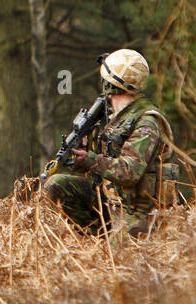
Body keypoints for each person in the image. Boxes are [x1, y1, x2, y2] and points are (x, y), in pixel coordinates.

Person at [41, 49, 176, 241]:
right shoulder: (114, 117)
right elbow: (103, 166)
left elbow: (130, 172)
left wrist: (90, 160)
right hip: (111, 201)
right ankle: (97, 239)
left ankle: (108, 244)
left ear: (109, 84)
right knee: (56, 185)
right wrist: (83, 155)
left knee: (119, 248)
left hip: (141, 213)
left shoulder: (147, 122)